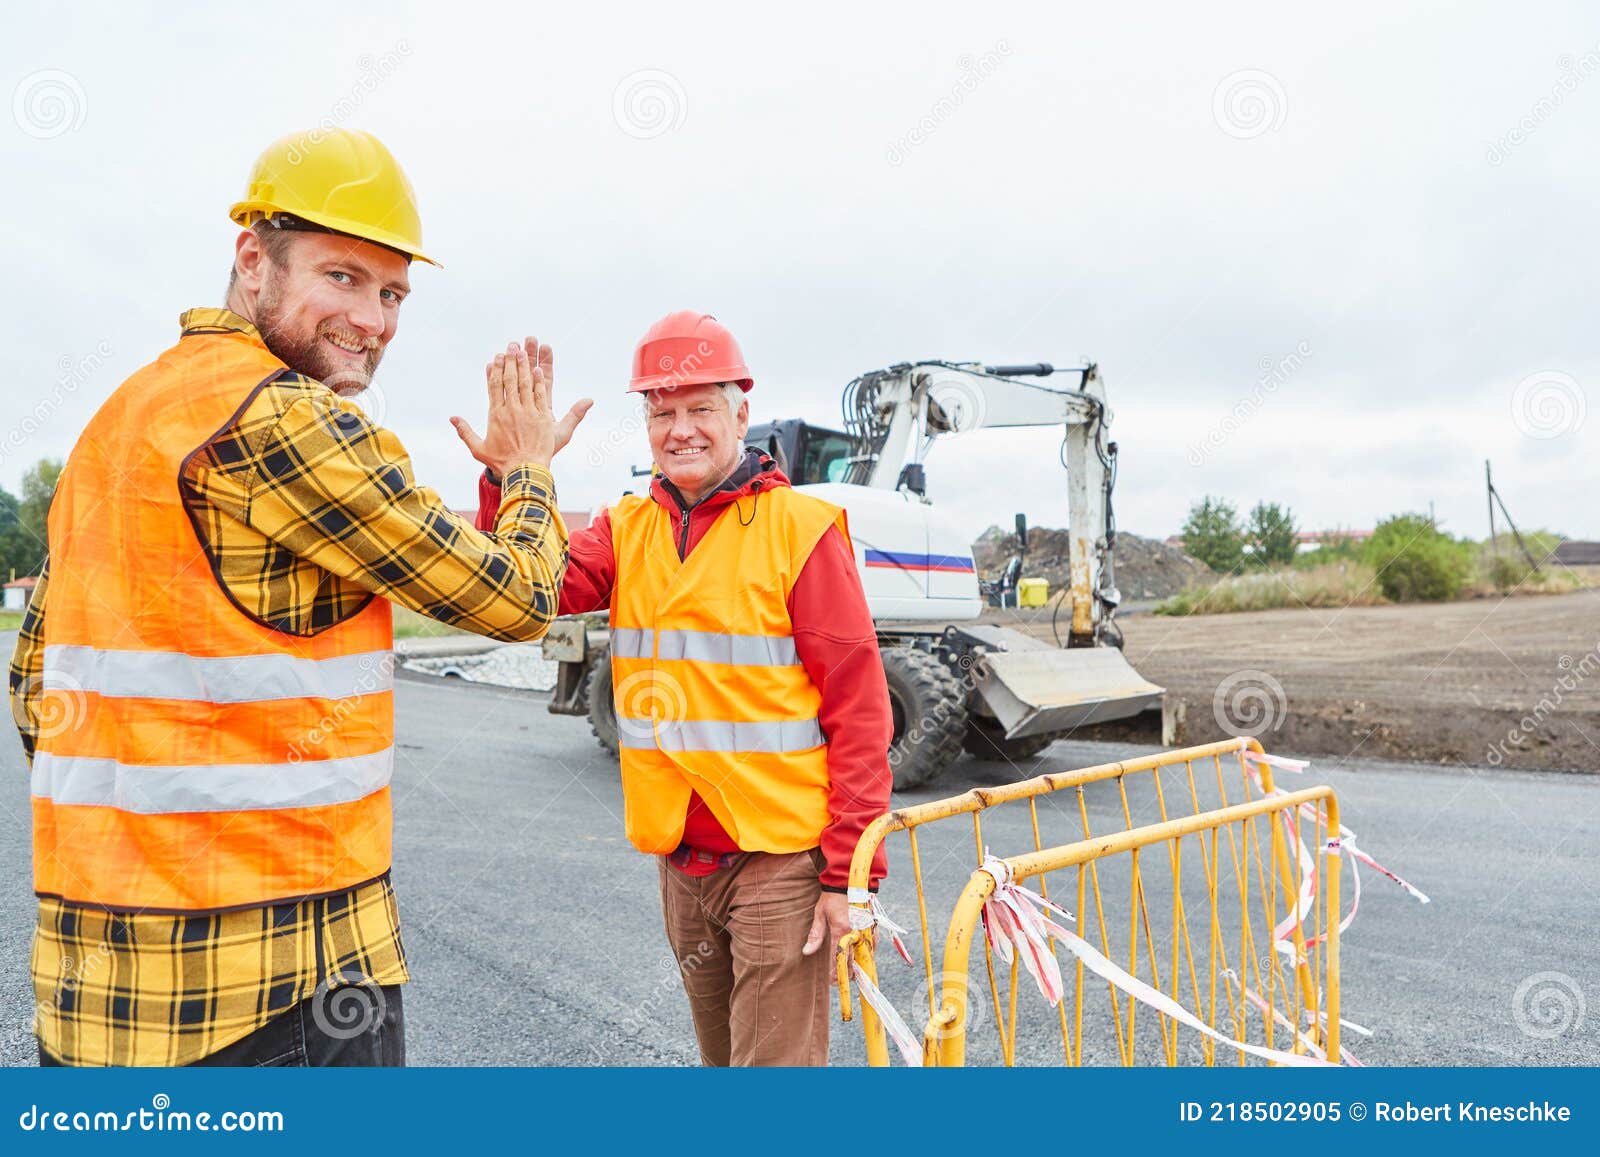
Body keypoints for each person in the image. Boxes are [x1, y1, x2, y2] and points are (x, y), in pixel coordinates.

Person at [7, 127, 589, 1067]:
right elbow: (518, 597)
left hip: (102, 996)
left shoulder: (118, 420)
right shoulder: (287, 416)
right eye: (343, 277)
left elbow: (38, 681)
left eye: (393, 291)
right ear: (253, 260)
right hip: (282, 984)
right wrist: (527, 469)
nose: (374, 319)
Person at [476, 310, 891, 1065]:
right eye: (661, 412)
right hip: (682, 863)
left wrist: (849, 874)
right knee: (722, 1063)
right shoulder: (626, 526)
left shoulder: (800, 528)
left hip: (780, 861)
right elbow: (528, 592)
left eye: (700, 408)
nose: (681, 429)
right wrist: (512, 476)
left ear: (740, 412)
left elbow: (860, 710)